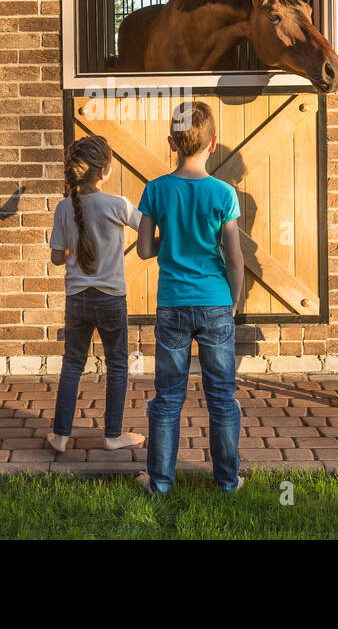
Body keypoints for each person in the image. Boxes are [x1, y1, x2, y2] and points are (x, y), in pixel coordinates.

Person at [135, 100, 245, 493]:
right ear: (213, 144)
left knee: (167, 397)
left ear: (171, 142)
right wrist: (233, 301)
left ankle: (160, 482)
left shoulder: (156, 190)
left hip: (172, 306)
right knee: (222, 398)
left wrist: (175, 241)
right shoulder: (223, 194)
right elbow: (234, 259)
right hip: (215, 301)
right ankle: (228, 483)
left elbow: (146, 250)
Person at [47, 135, 145, 452]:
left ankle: (60, 435)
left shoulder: (64, 208)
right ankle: (113, 435)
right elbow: (148, 228)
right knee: (117, 364)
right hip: (111, 298)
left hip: (78, 298)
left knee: (73, 364)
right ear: (103, 170)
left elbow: (55, 256)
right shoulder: (117, 205)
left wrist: (72, 252)